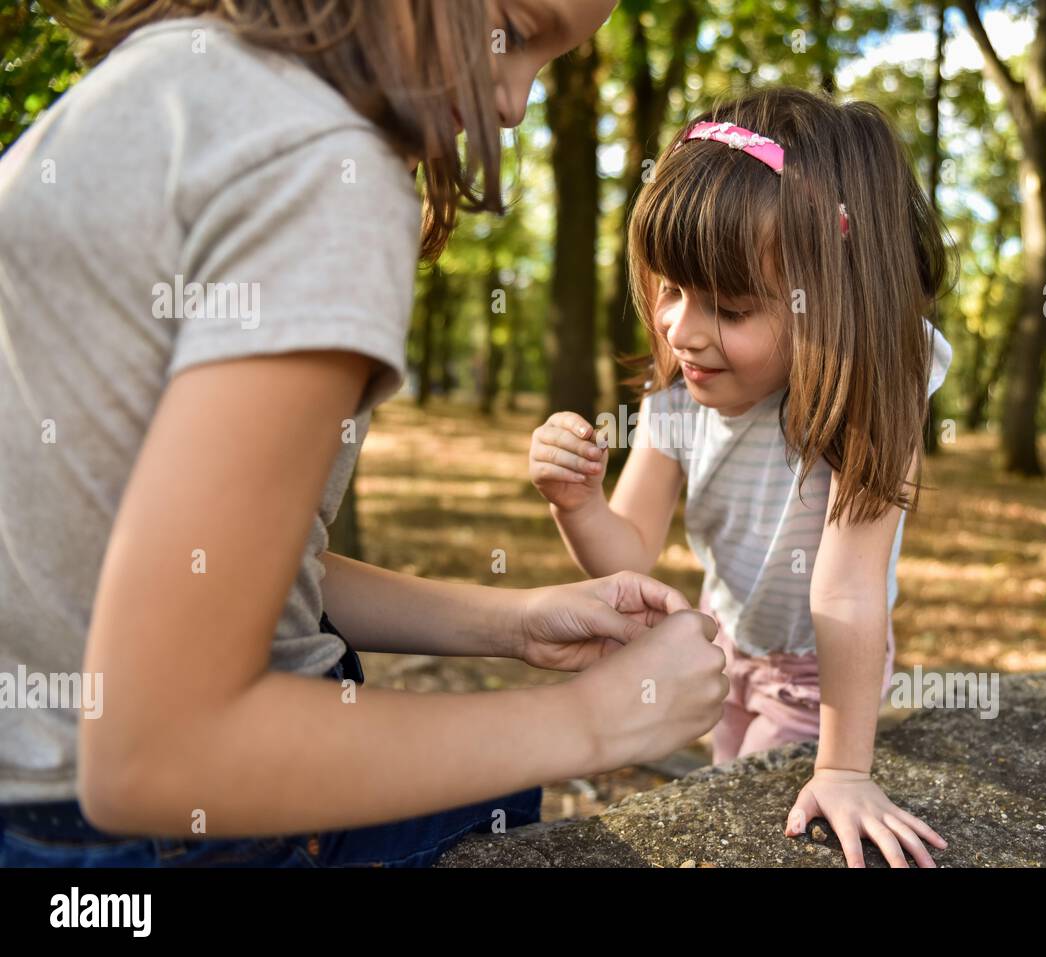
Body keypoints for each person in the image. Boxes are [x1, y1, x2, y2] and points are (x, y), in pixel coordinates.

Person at [0, 0, 728, 867]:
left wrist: (515, 621)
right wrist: (593, 721)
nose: (515, 102)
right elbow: (157, 755)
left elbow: (215, 573)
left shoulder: (166, 82)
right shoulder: (320, 163)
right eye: (514, 29)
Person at [529, 88, 953, 868]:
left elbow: (849, 589)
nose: (681, 331)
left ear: (829, 298)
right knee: (729, 782)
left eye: (727, 307)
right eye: (669, 290)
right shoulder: (678, 402)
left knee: (764, 829)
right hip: (725, 651)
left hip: (817, 671)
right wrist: (577, 501)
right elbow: (628, 553)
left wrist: (844, 769)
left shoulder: (866, 396)